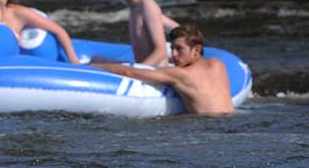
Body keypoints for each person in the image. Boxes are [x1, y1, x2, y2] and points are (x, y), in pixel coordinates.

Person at [93, 24, 234, 115]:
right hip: (230, 122)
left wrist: (95, 66)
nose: (173, 55)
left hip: (209, 128)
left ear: (196, 49)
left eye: (179, 49)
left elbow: (129, 72)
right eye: (172, 49)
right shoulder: (218, 64)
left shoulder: (181, 74)